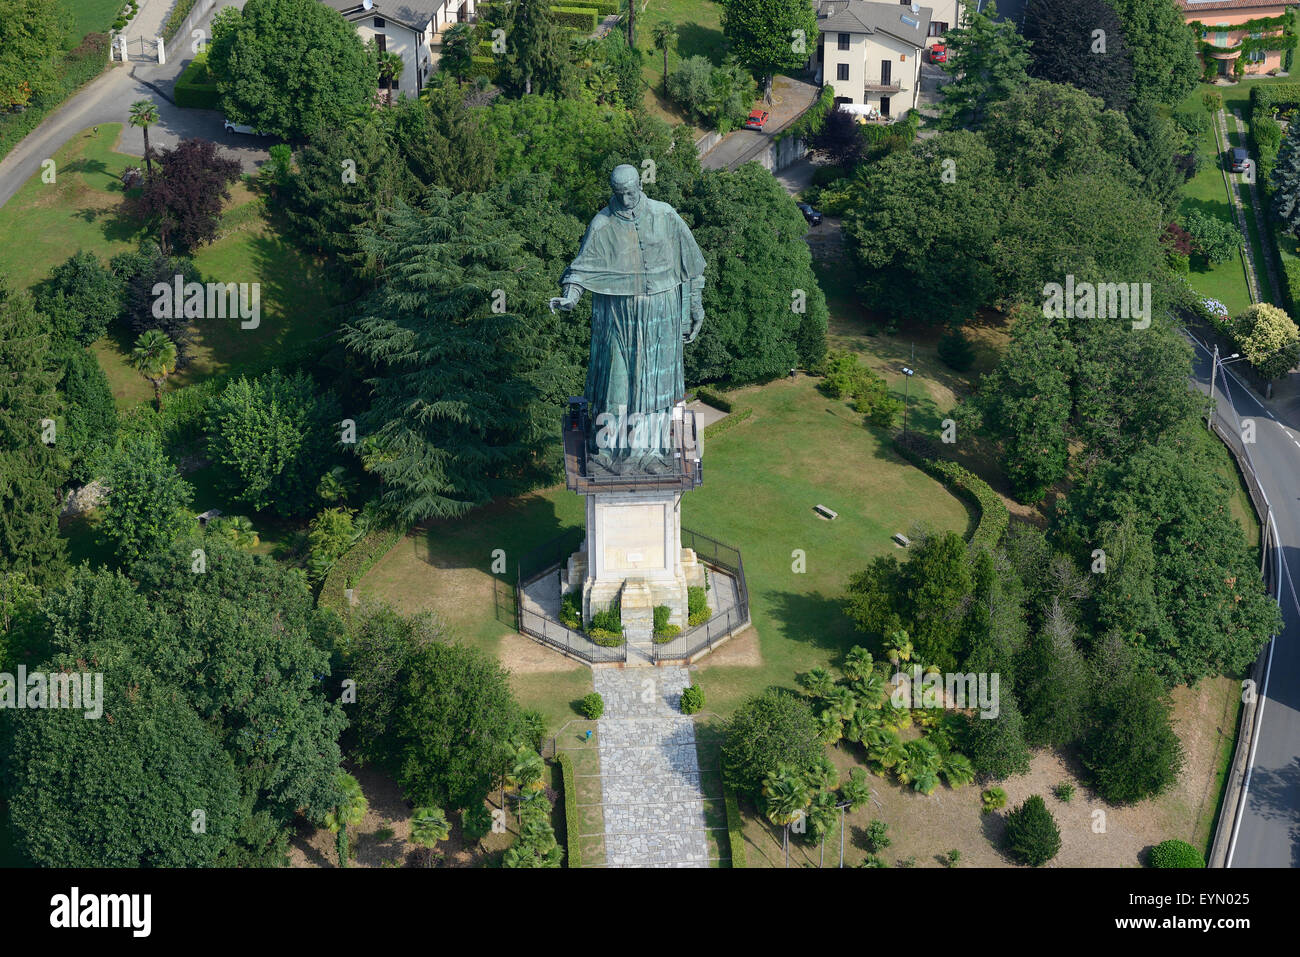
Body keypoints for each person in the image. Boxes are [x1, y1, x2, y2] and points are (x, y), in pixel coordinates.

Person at [550, 165, 706, 475]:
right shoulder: (603, 223)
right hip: (619, 321)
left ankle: (651, 451)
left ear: (640, 186)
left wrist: (693, 306)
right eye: (619, 194)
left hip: (663, 316)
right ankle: (609, 451)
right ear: (613, 191)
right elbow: (580, 270)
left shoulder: (665, 215)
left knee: (656, 388)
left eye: (631, 192)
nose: (626, 199)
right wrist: (570, 296)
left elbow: (691, 267)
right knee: (616, 386)